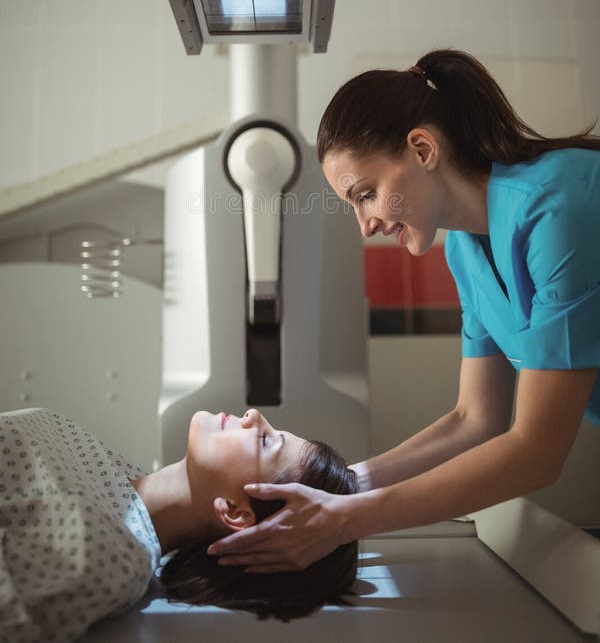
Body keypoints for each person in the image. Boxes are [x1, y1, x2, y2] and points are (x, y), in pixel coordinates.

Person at [207, 48, 600, 574]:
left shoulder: (558, 205)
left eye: (365, 194)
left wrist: (344, 519)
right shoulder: (465, 249)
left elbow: (536, 451)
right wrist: (345, 483)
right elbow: (474, 419)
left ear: (422, 149)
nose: (365, 224)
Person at [0, 406, 358, 642]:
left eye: (266, 441)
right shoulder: (111, 475)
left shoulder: (105, 556)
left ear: (235, 512)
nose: (254, 415)